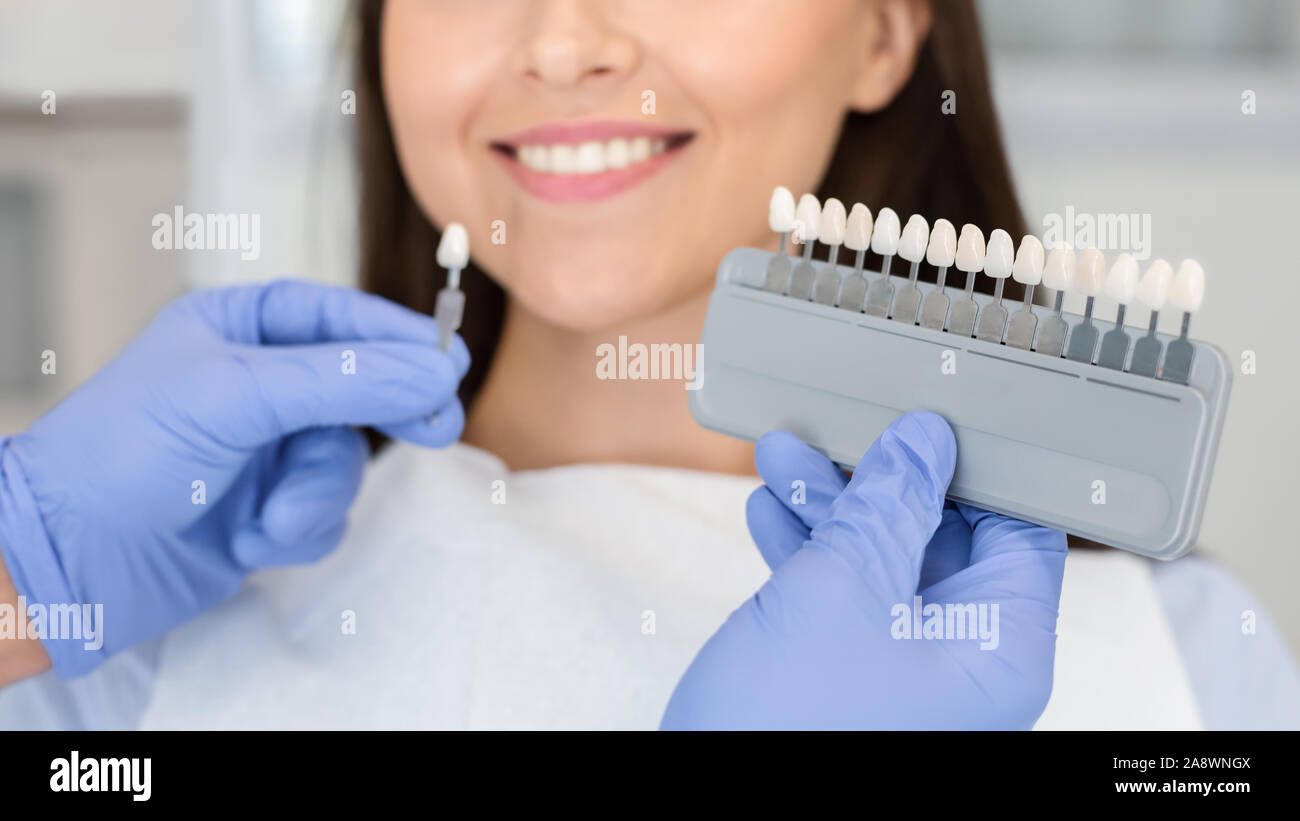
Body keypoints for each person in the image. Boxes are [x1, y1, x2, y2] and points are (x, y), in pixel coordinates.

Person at [0, 0, 1296, 729]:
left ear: (889, 32)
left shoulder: (1182, 662)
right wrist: (20, 574)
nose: (564, 43)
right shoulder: (129, 638)